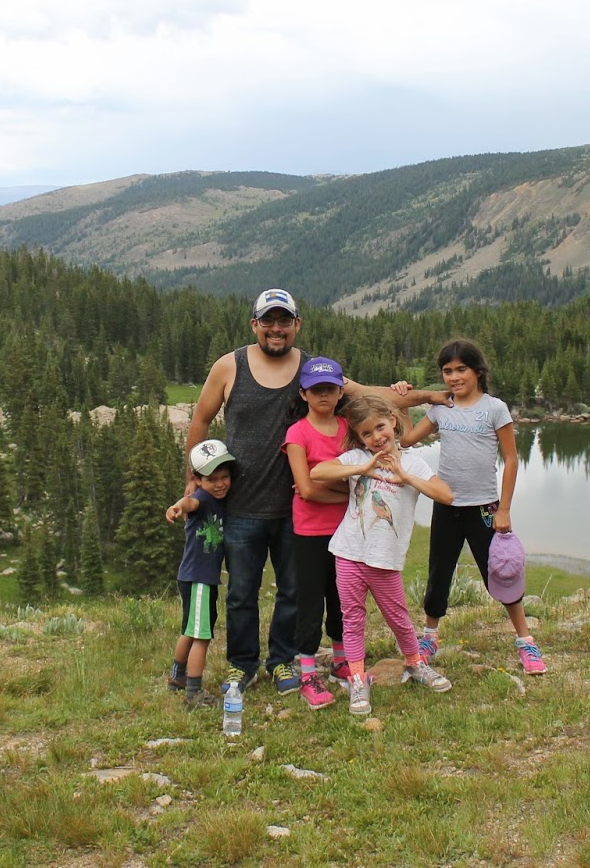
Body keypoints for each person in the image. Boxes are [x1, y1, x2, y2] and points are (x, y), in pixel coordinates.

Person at [185, 288, 437, 697]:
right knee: (241, 593)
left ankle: (283, 661)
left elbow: (371, 397)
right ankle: (241, 665)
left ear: (297, 325)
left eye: (284, 320)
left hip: (294, 510)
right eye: (268, 320)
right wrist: (192, 479)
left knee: (293, 593)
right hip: (242, 506)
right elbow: (200, 420)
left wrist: (431, 397)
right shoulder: (228, 367)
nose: (276, 328)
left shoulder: (310, 370)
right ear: (255, 325)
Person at [401, 338, 546, 675]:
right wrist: (404, 402)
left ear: (477, 371)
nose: (453, 377)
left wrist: (504, 509)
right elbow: (407, 440)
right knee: (439, 571)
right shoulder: (441, 409)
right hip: (446, 505)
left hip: (484, 507)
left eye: (460, 369)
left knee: (501, 572)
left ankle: (526, 641)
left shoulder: (495, 408)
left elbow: (511, 460)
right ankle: (429, 637)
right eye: (447, 371)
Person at [312, 392, 456, 717]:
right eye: (366, 433)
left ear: (393, 421)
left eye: (380, 427)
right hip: (349, 553)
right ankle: (358, 679)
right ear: (359, 437)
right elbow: (317, 473)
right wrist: (364, 466)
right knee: (352, 619)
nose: (376, 437)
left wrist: (406, 477)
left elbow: (446, 495)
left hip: (385, 559)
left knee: (399, 618)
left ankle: (415, 663)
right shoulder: (354, 459)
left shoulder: (414, 463)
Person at [282, 356, 352, 710]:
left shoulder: (348, 428)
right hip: (310, 531)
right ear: (304, 393)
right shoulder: (298, 433)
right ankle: (308, 671)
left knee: (341, 597)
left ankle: (341, 661)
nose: (323, 395)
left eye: (330, 388)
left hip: (347, 532)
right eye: (316, 389)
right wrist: (346, 493)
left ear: (341, 391)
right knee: (310, 600)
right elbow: (306, 490)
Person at [164, 438, 235, 709]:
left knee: (190, 631)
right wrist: (178, 506)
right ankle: (193, 692)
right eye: (211, 478)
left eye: (225, 477)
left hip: (195, 576)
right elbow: (189, 503)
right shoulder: (202, 498)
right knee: (202, 635)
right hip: (199, 578)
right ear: (197, 479)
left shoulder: (219, 496)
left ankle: (177, 677)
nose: (220, 484)